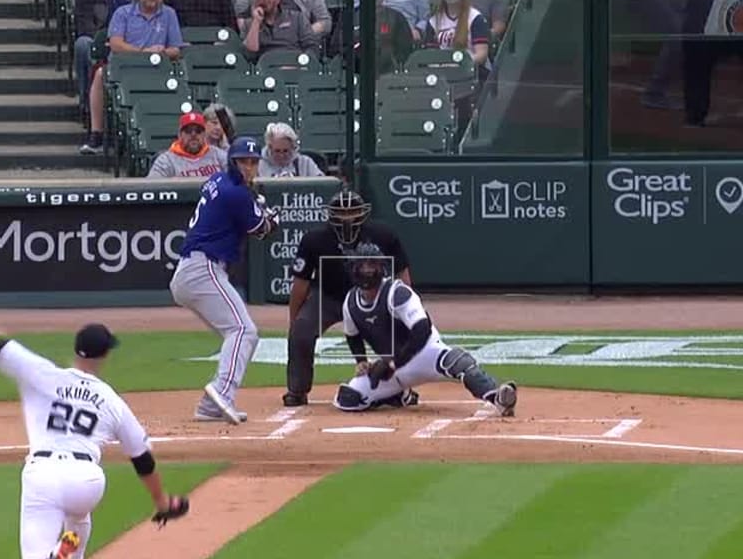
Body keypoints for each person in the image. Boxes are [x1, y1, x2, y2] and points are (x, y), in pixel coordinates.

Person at [0, 310, 190, 559]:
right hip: (88, 482)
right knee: (79, 514)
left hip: (43, 475)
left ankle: (57, 557)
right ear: (104, 355)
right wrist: (162, 502)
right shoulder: (111, 400)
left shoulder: (42, 373)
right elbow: (142, 459)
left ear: (76, 350)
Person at [333, 243, 517, 416]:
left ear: (381, 268)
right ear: (353, 269)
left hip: (424, 354)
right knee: (348, 398)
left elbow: (421, 331)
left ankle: (498, 397)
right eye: (362, 266)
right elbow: (352, 335)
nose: (367, 271)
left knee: (459, 362)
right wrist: (361, 361)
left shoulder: (397, 293)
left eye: (372, 265)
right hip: (392, 370)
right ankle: (398, 396)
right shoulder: (350, 302)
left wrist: (393, 363)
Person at [168, 136, 277, 424]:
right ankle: (221, 393)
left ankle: (210, 406)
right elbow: (259, 229)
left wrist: (255, 203)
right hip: (202, 268)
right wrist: (269, 219)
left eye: (253, 162)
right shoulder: (236, 194)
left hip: (195, 269)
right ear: (233, 161)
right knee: (244, 330)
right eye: (243, 161)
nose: (249, 167)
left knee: (237, 332)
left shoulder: (220, 181)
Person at [284, 189, 411, 407]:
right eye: (341, 212)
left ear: (363, 213)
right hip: (328, 296)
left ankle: (403, 387)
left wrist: (405, 308)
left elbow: (402, 273)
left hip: (373, 296)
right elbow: (300, 283)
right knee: (302, 331)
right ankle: (297, 390)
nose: (347, 217)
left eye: (352, 211)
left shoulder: (384, 235)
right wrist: (294, 320)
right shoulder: (314, 239)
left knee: (401, 335)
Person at [72, 0, 134, 155]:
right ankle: (86, 105)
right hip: (99, 44)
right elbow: (84, 25)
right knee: (82, 44)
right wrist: (105, 42)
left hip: (129, 46)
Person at [147, 111, 225, 178]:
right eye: (188, 131)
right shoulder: (166, 160)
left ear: (204, 134)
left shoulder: (217, 154)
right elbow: (151, 187)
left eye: (198, 131)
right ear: (180, 135)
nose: (193, 135)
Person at [258, 121, 323, 178]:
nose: (281, 155)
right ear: (269, 148)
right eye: (277, 151)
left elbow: (323, 185)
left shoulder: (306, 163)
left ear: (293, 148)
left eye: (285, 151)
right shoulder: (258, 165)